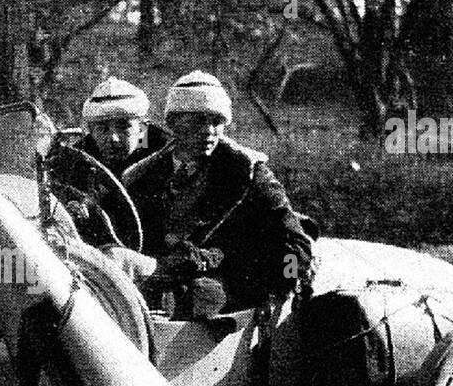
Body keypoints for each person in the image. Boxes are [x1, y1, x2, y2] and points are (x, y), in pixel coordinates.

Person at [117, 70, 313, 318]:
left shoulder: (250, 174)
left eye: (217, 121)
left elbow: (296, 244)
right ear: (173, 122)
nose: (209, 131)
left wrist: (280, 288)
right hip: (151, 290)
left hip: (227, 294)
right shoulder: (140, 177)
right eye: (198, 121)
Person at [44, 76, 170, 249]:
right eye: (102, 128)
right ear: (91, 130)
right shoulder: (78, 157)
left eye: (123, 126)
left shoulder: (164, 152)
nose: (113, 138)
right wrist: (70, 208)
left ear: (142, 128)